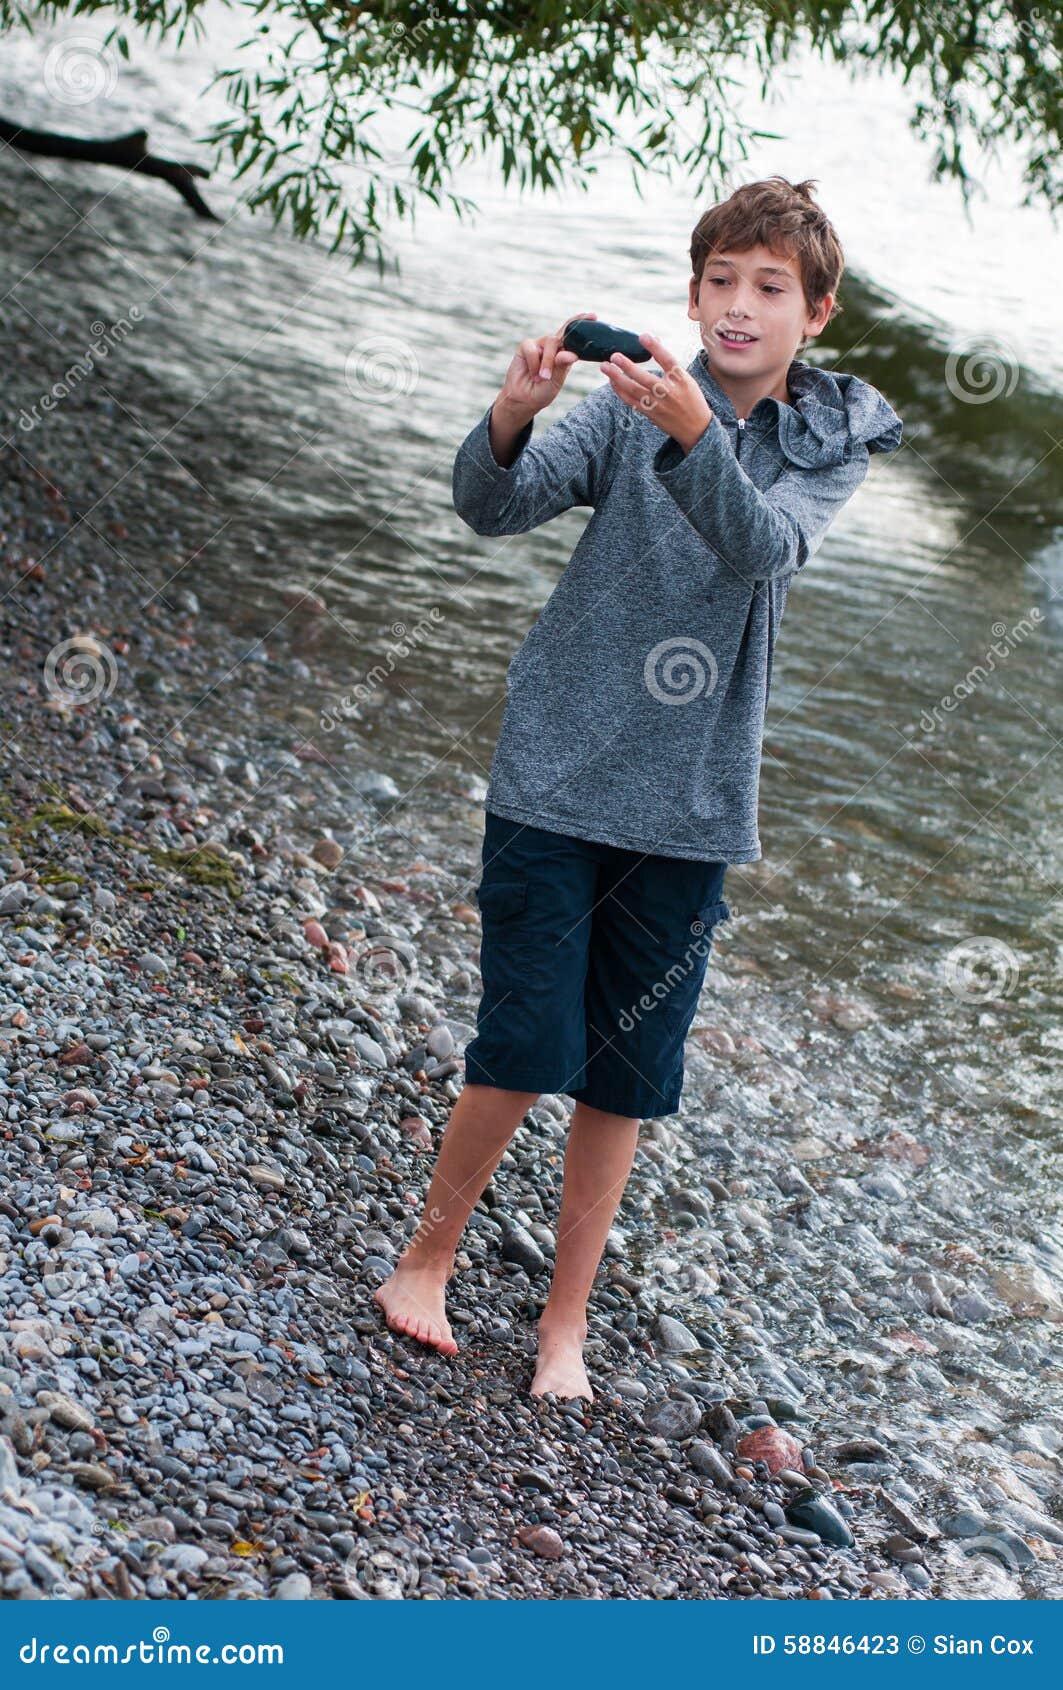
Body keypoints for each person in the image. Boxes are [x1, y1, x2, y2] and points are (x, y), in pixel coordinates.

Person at [375, 175, 903, 1401]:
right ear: (692, 292)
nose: (737, 305)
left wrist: (692, 433)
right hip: (555, 769)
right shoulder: (626, 406)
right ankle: (426, 1258)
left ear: (813, 314)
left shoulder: (828, 442)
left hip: (690, 802)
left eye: (768, 287)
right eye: (718, 281)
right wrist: (510, 418)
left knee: (623, 1072)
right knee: (521, 1040)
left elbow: (765, 550)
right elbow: (492, 507)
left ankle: (566, 1326)